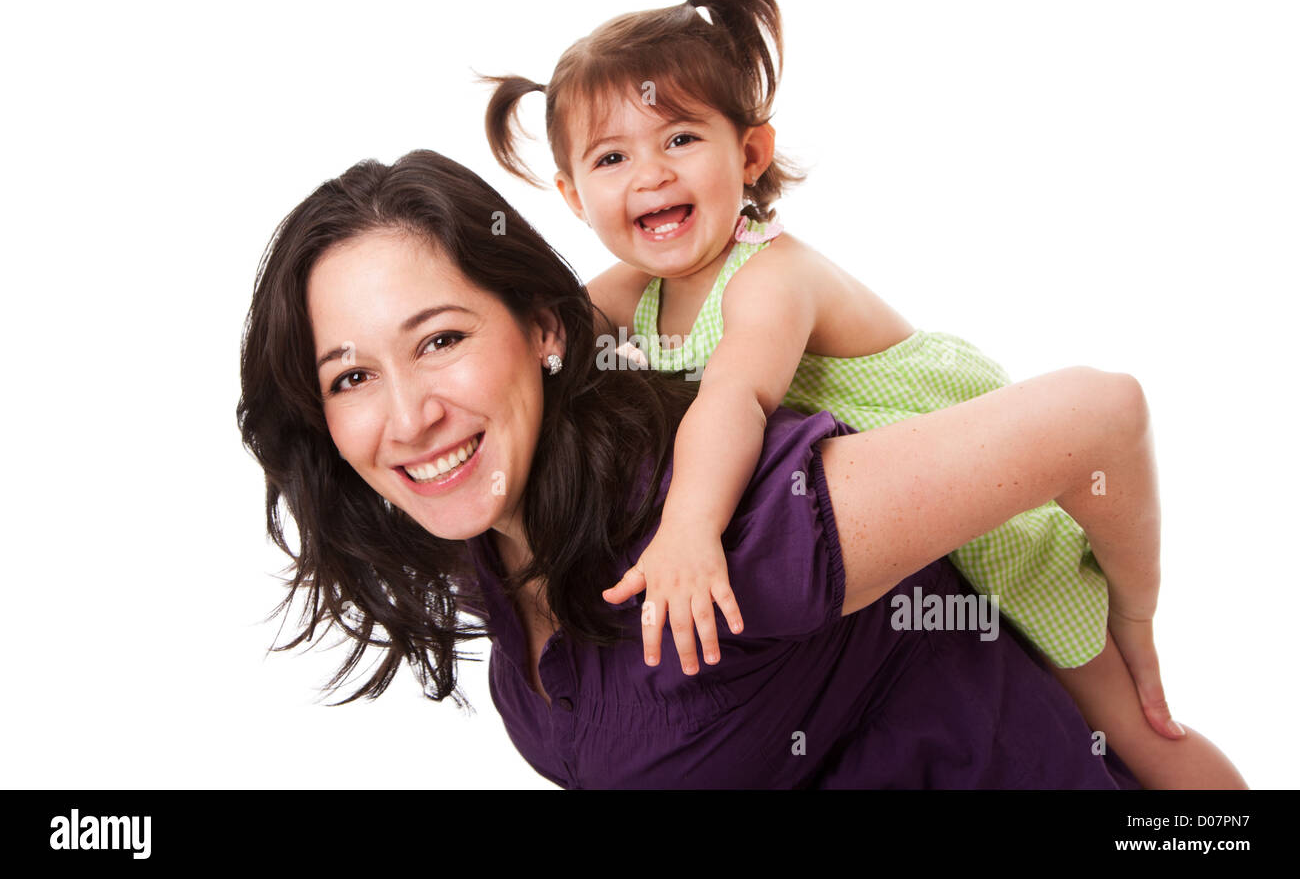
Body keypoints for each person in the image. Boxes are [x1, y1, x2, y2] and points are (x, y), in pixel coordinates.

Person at [237, 149, 1245, 788]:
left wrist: (1134, 616)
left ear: (544, 328)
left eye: (443, 339)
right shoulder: (490, 535)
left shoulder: (746, 528)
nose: (410, 414)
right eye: (353, 374)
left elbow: (1099, 415)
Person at [480, 0, 1243, 787]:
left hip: (993, 512)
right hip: (897, 542)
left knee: (1128, 721)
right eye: (611, 157)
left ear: (750, 151)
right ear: (570, 195)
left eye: (680, 140)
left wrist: (689, 529)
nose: (651, 174)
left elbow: (735, 397)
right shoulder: (636, 292)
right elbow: (538, 340)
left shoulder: (770, 276)